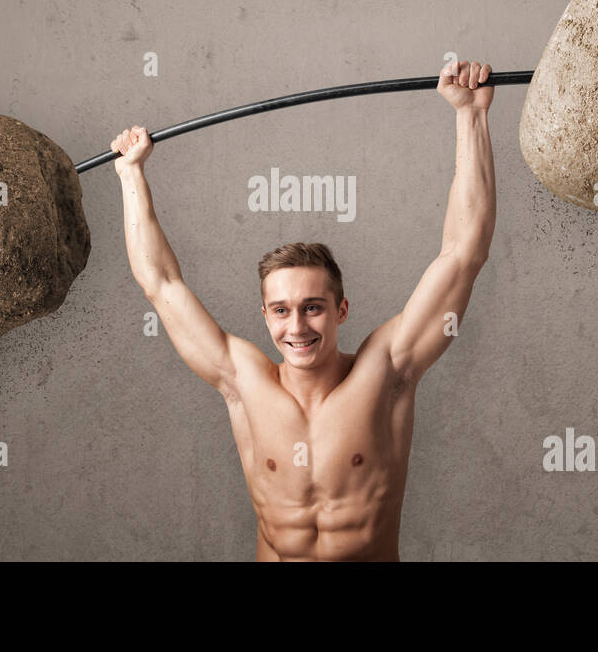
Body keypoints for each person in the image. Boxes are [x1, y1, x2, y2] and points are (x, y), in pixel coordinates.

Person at [110, 60, 496, 560]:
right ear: (266, 315)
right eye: (282, 310)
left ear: (341, 310)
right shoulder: (242, 380)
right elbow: (160, 284)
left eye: (313, 308)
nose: (297, 327)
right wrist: (130, 173)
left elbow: (463, 255)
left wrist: (470, 117)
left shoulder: (388, 370)